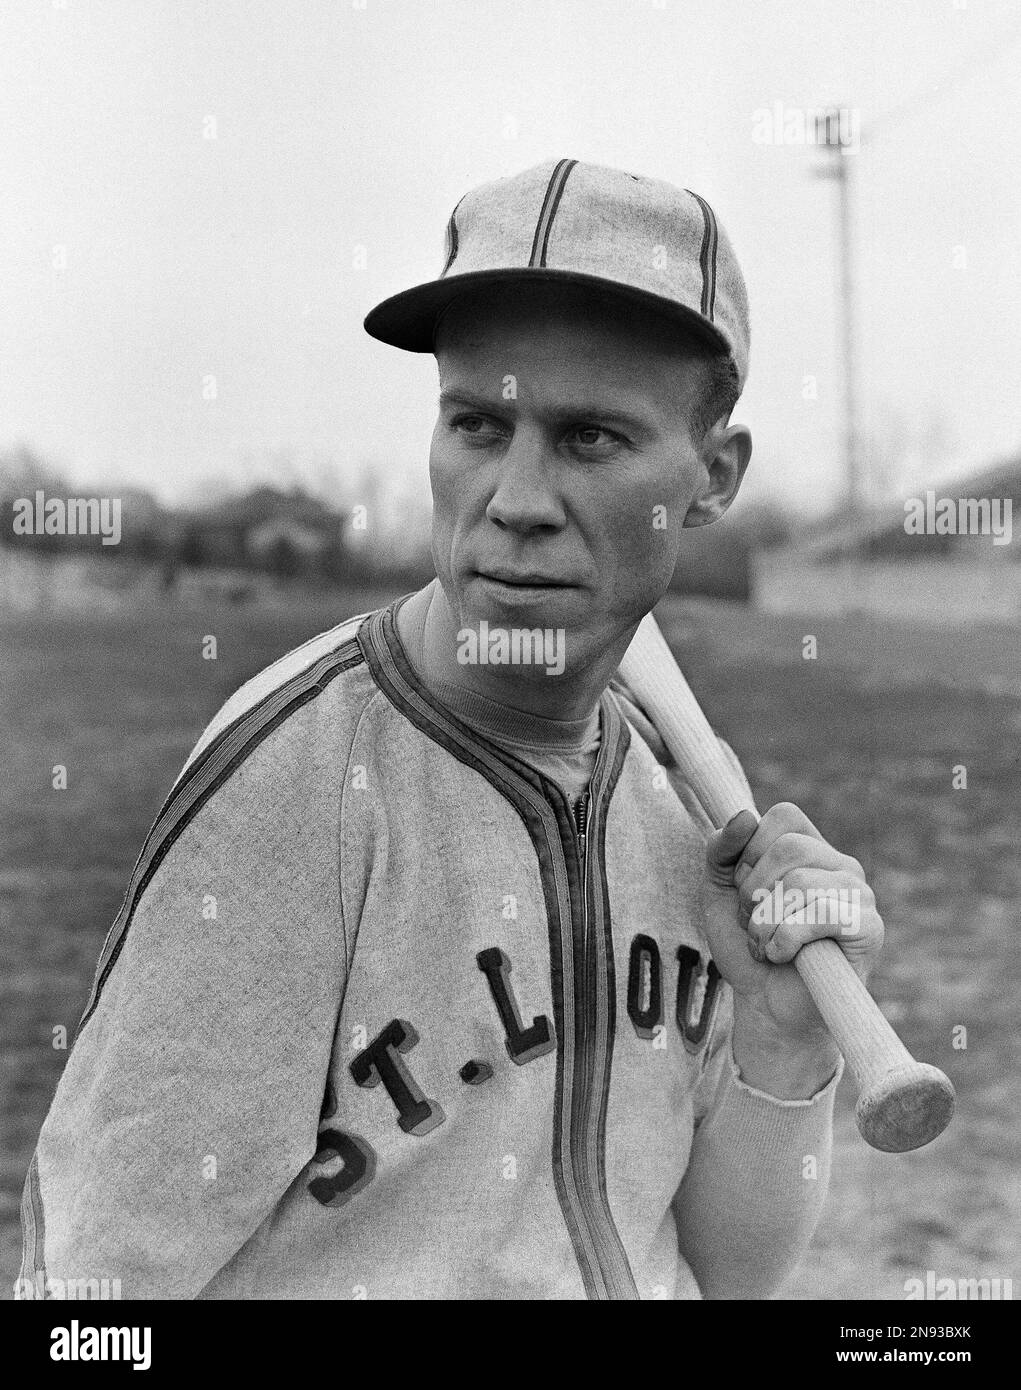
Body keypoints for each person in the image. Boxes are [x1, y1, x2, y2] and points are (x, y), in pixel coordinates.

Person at [19, 158, 883, 1301]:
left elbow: (724, 1267)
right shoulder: (300, 781)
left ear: (712, 475)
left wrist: (783, 1044)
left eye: (589, 439)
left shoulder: (677, 808)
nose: (516, 499)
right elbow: (95, 1296)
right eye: (479, 424)